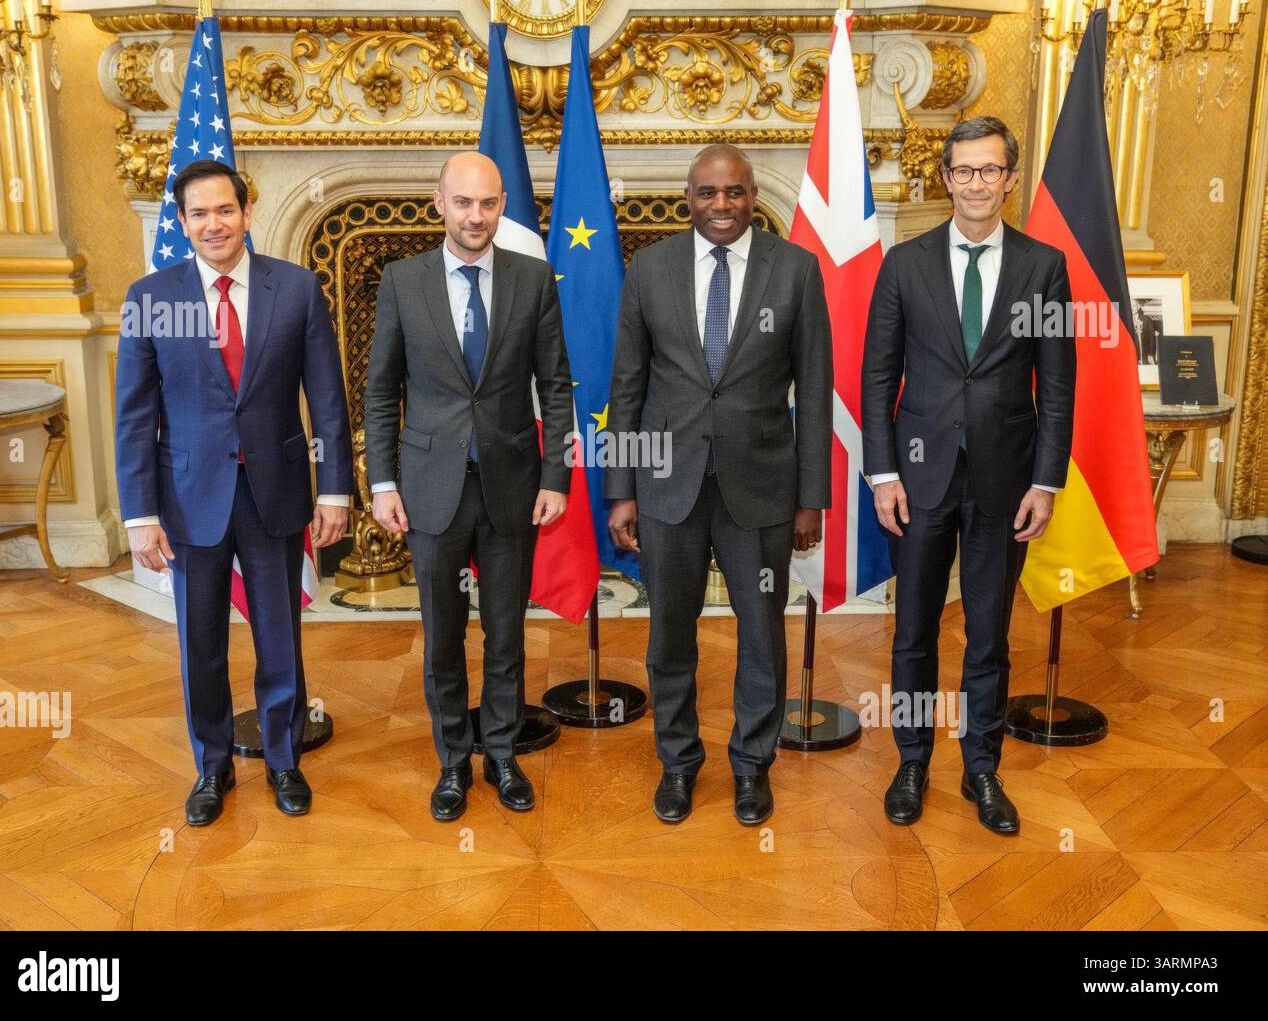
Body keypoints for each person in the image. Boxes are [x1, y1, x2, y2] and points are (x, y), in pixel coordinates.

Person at [116, 159, 352, 825]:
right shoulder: (151, 297)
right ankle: (212, 769)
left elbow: (327, 401)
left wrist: (334, 489)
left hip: (276, 490)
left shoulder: (298, 290)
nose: (214, 224)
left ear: (247, 212)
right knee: (201, 643)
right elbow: (134, 412)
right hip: (189, 498)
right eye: (199, 213)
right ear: (182, 222)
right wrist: (139, 515)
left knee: (281, 636)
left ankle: (283, 761)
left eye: (225, 210)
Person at [606, 144, 833, 826]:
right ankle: (678, 764)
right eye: (709, 193)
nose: (723, 205)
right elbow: (628, 386)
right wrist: (622, 490)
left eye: (735, 192)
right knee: (669, 634)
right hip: (667, 490)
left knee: (761, 632)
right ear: (689, 197)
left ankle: (751, 767)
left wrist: (810, 497)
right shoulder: (650, 268)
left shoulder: (794, 271)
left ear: (753, 195)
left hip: (761, 490)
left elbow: (814, 390)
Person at [862, 116, 1076, 835]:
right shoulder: (905, 263)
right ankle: (912, 760)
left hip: (1005, 486)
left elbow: (1058, 383)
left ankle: (981, 767)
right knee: (914, 632)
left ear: (1011, 179)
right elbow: (877, 377)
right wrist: (882, 472)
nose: (976, 184)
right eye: (964, 171)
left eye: (990, 171)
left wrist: (1045, 483)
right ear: (946, 178)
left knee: (988, 632)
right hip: (916, 484)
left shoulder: (1044, 267)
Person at [365, 151, 573, 822]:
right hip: (430, 489)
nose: (475, 216)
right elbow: (379, 390)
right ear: (439, 203)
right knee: (444, 634)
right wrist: (383, 480)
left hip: (514, 486)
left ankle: (503, 754)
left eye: (488, 203)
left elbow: (557, 386)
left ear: (502, 205)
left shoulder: (534, 280)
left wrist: (556, 477)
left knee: (506, 633)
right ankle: (453, 760)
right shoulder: (403, 280)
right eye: (463, 203)